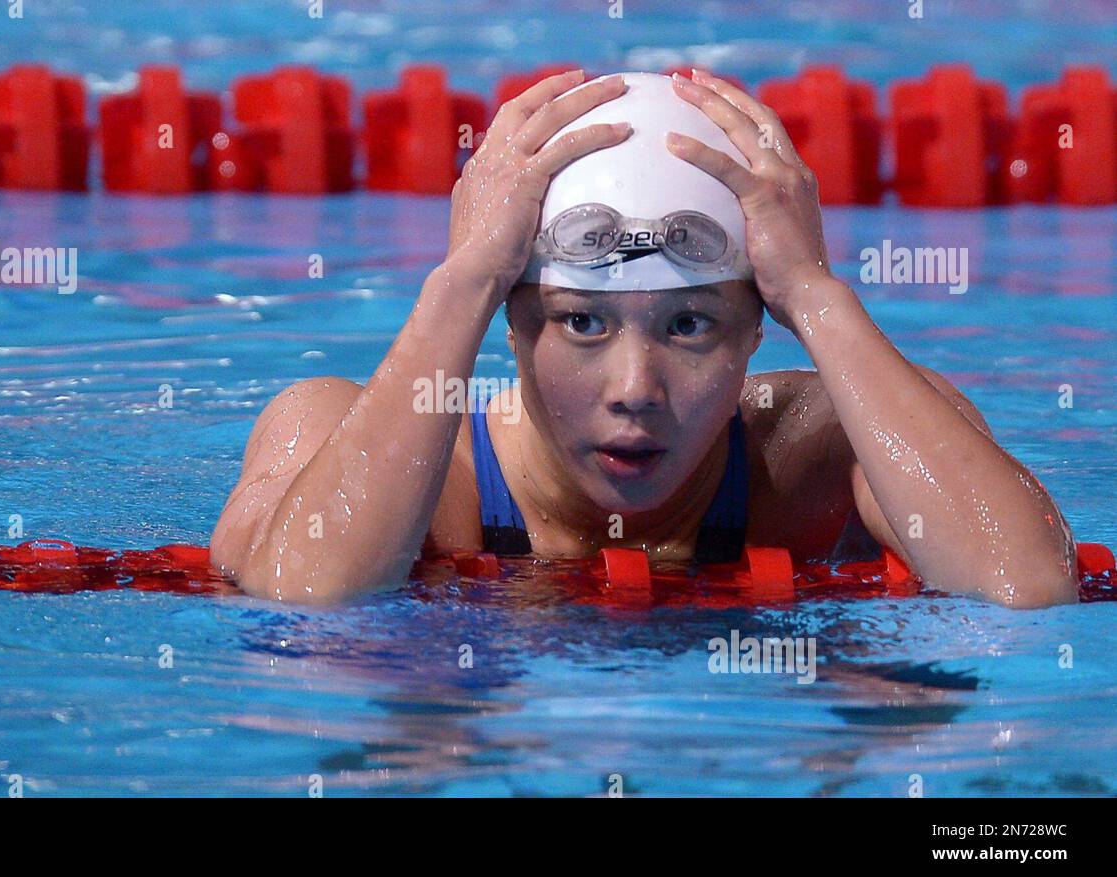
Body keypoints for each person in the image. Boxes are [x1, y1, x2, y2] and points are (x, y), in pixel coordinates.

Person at [210, 69, 1078, 608]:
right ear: (511, 322)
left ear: (754, 333)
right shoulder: (367, 448)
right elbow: (306, 598)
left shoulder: (831, 448)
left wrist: (815, 293)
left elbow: (1027, 586)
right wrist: (467, 276)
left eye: (690, 325)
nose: (635, 387)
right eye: (582, 322)